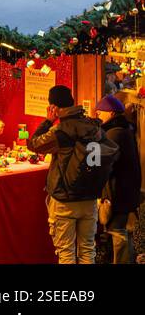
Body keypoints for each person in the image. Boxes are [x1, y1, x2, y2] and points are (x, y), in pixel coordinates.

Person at [30, 85, 118, 264]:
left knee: (66, 253)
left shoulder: (60, 131)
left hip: (64, 199)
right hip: (89, 198)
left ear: (53, 107)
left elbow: (33, 144)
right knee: (87, 250)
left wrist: (48, 121)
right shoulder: (93, 126)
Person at [94, 94, 140, 264]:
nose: (97, 115)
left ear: (111, 113)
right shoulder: (125, 129)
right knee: (123, 232)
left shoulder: (113, 134)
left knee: (117, 232)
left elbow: (101, 164)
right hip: (126, 191)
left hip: (117, 192)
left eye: (100, 112)